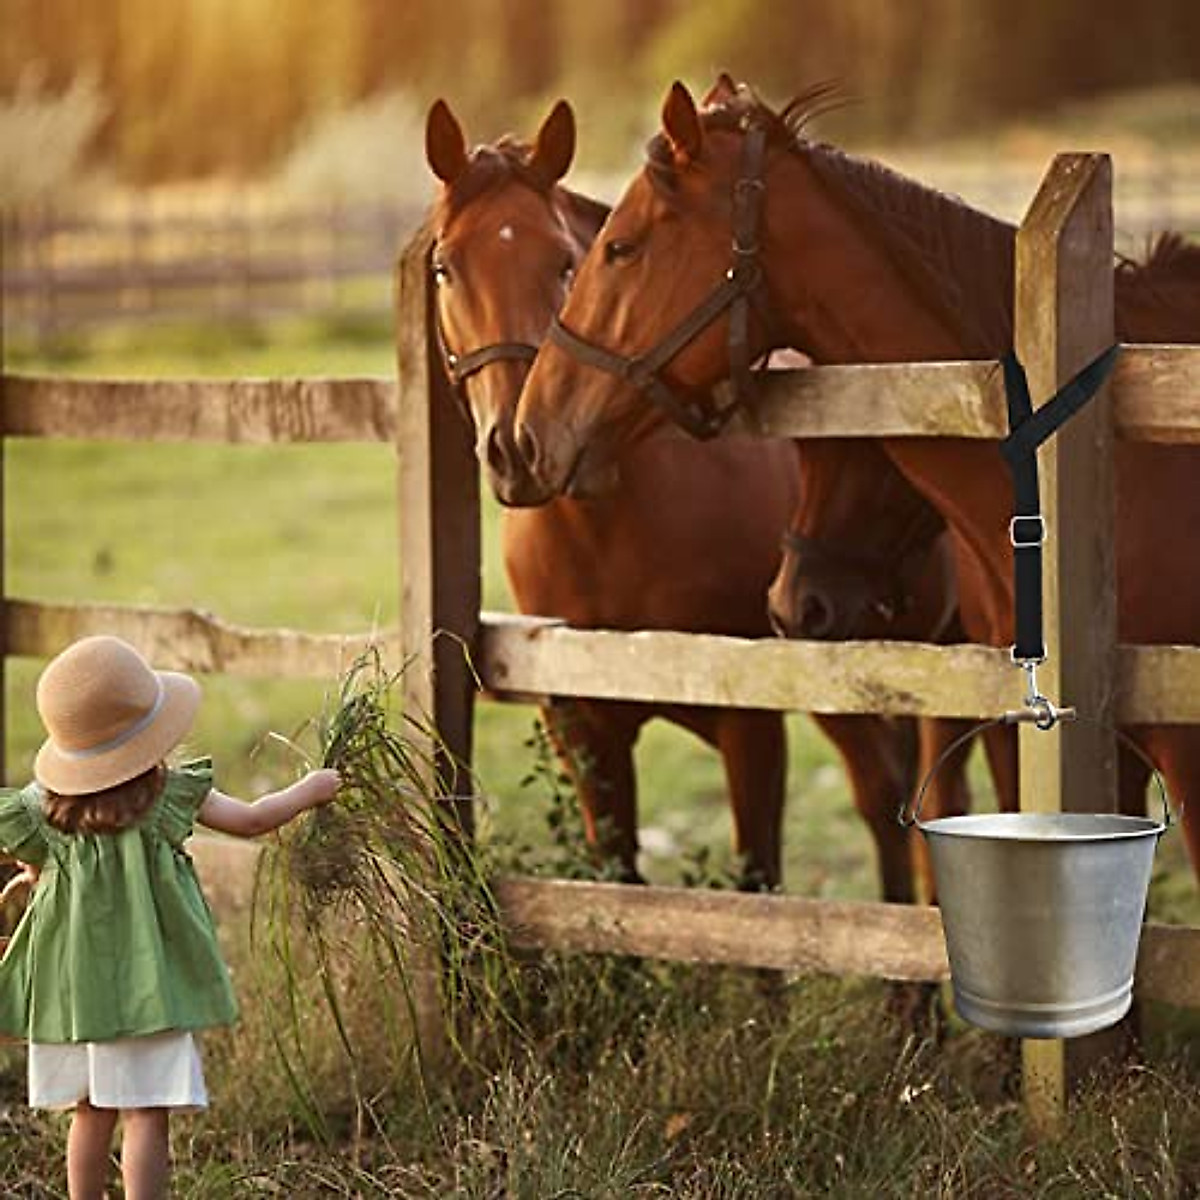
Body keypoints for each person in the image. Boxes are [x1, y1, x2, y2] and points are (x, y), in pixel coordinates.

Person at [0, 635, 341, 1200]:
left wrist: (40, 877)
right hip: (147, 989)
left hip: (74, 993)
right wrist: (310, 790)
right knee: (144, 1115)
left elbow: (36, 860)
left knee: (88, 1113)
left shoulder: (44, 812)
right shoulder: (167, 794)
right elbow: (253, 820)